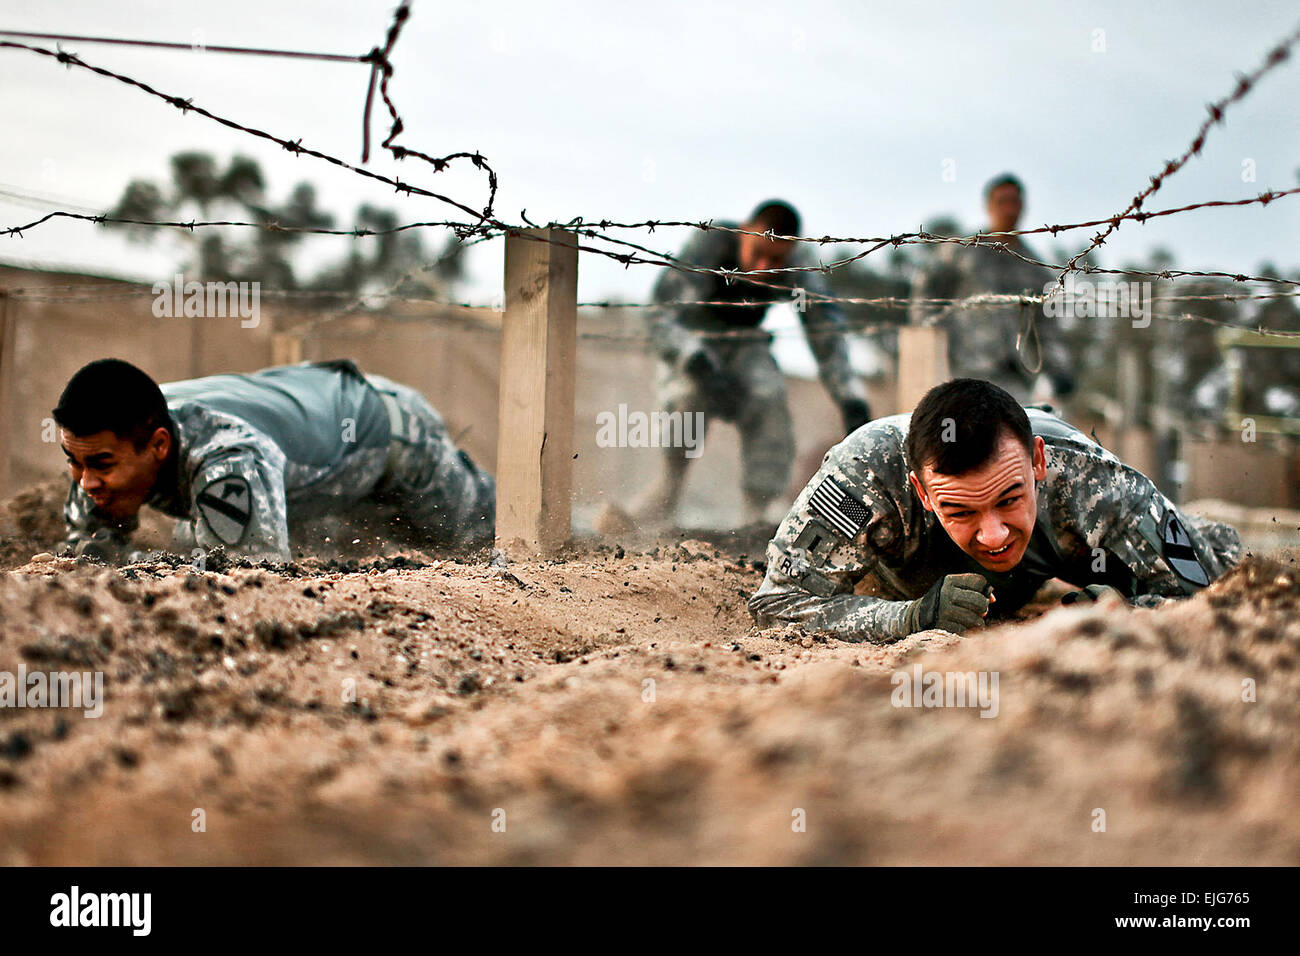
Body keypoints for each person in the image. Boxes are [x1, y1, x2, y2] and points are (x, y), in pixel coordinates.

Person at [749, 378, 1243, 642]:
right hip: (901, 581)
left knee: (1215, 548)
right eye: (961, 511)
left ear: (1038, 462)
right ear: (922, 492)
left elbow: (1211, 596)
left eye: (1009, 499)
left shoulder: (1099, 483)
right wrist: (910, 619)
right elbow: (780, 600)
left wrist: (1128, 612)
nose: (992, 535)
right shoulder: (865, 475)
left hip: (1070, 553)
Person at [54, 358, 495, 562]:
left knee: (481, 536)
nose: (85, 482)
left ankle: (564, 535)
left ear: (159, 445)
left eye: (101, 467)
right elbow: (87, 551)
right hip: (313, 419)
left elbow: (245, 575)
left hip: (394, 433)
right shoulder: (103, 445)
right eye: (73, 461)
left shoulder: (228, 458)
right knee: (196, 537)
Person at [630, 199, 870, 526]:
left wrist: (850, 398)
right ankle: (667, 490)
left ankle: (757, 514)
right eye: (757, 253)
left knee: (769, 398)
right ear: (744, 231)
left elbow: (825, 331)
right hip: (693, 341)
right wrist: (698, 363)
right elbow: (660, 315)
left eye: (775, 260)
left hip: (747, 343)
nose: (763, 267)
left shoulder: (797, 264)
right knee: (689, 399)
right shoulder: (709, 244)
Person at [909, 174, 1075, 403]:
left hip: (1016, 374)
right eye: (1001, 201)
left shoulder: (1034, 266)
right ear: (988, 206)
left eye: (1014, 202)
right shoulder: (964, 252)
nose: (1008, 208)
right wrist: (932, 336)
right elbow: (926, 292)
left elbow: (1047, 325)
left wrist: (1058, 368)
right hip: (963, 367)